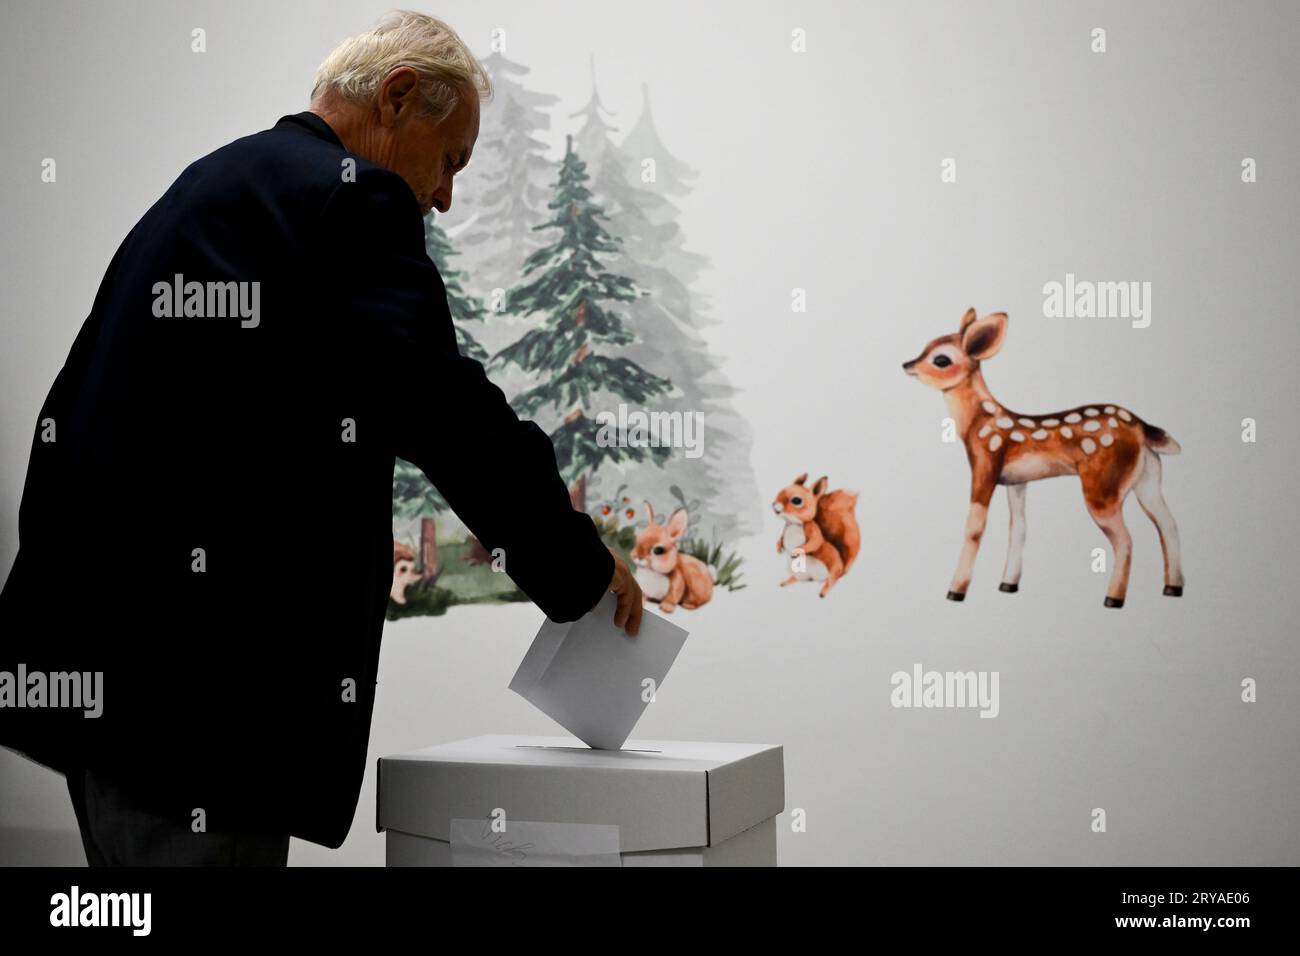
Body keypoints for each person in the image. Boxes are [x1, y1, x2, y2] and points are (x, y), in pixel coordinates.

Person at [0, 10, 643, 866]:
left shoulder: (217, 185)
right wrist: (578, 568)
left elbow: (69, 417)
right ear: (400, 96)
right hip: (195, 705)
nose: (444, 197)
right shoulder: (351, 197)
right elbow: (442, 404)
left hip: (113, 678)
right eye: (450, 160)